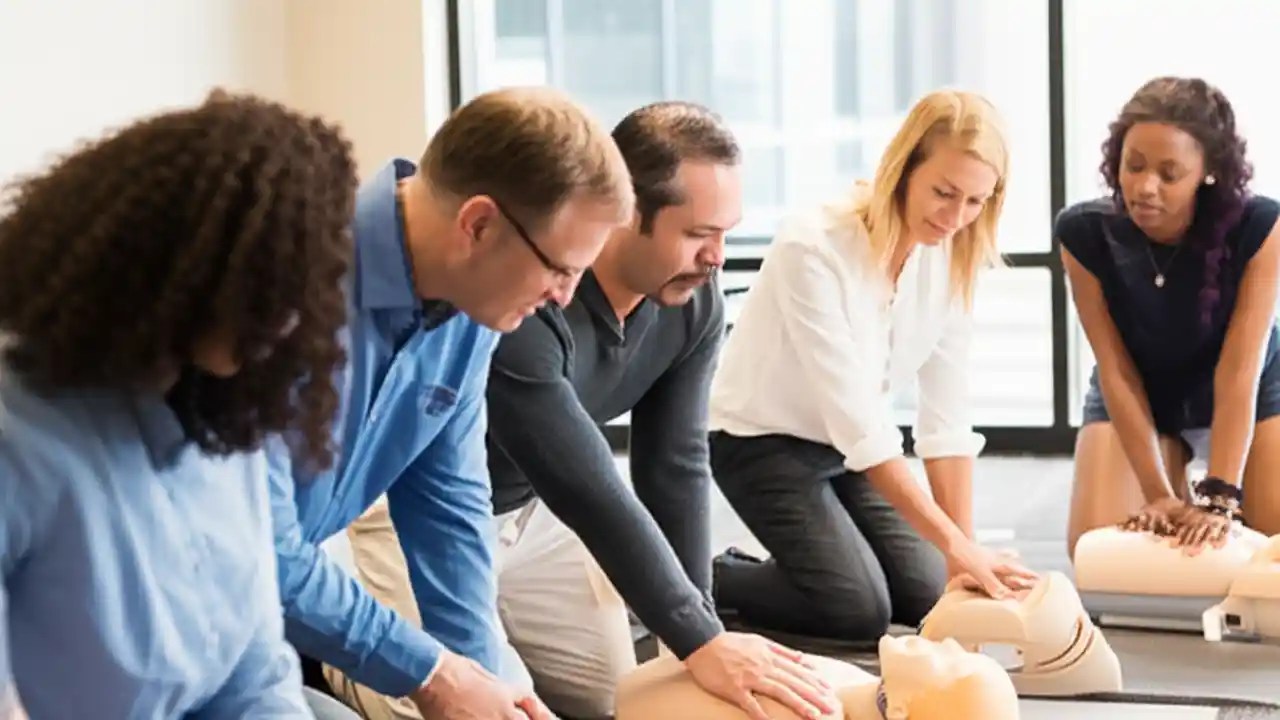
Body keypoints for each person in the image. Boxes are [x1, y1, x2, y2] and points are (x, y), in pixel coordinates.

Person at [327, 100, 837, 720]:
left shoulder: (677, 303)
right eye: (698, 234)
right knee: (432, 703)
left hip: (527, 511)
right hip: (401, 520)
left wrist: (699, 636)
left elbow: (671, 467)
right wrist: (434, 675)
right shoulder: (496, 294)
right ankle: (340, 653)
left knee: (616, 694)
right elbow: (582, 482)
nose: (717, 257)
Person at [268, 85, 635, 720]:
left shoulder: (472, 307)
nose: (566, 297)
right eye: (560, 268)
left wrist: (482, 680)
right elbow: (257, 545)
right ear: (479, 225)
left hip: (253, 617)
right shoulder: (284, 290)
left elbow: (448, 505)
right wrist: (433, 675)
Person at [0, 91, 358, 718]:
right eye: (263, 284)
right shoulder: (21, 438)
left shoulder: (224, 420)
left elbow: (254, 674)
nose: (286, 319)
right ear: (174, 264)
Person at [706, 89, 1039, 644]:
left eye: (976, 201)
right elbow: (858, 421)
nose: (956, 217)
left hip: (847, 452)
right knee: (857, 609)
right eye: (944, 193)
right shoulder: (812, 247)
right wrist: (955, 545)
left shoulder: (950, 254)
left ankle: (817, 561)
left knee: (929, 593)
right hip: (759, 442)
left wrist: (963, 552)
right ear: (903, 168)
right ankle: (709, 575)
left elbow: (946, 419)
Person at [1060, 76, 1280, 559]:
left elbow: (1240, 369)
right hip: (1142, 385)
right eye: (1133, 165)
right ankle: (1172, 473)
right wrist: (1157, 493)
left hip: (1253, 383)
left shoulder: (1261, 226)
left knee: (1273, 545)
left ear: (1208, 173)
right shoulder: (1083, 234)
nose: (1144, 187)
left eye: (1169, 173)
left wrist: (1221, 497)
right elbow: (1115, 368)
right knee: (1096, 550)